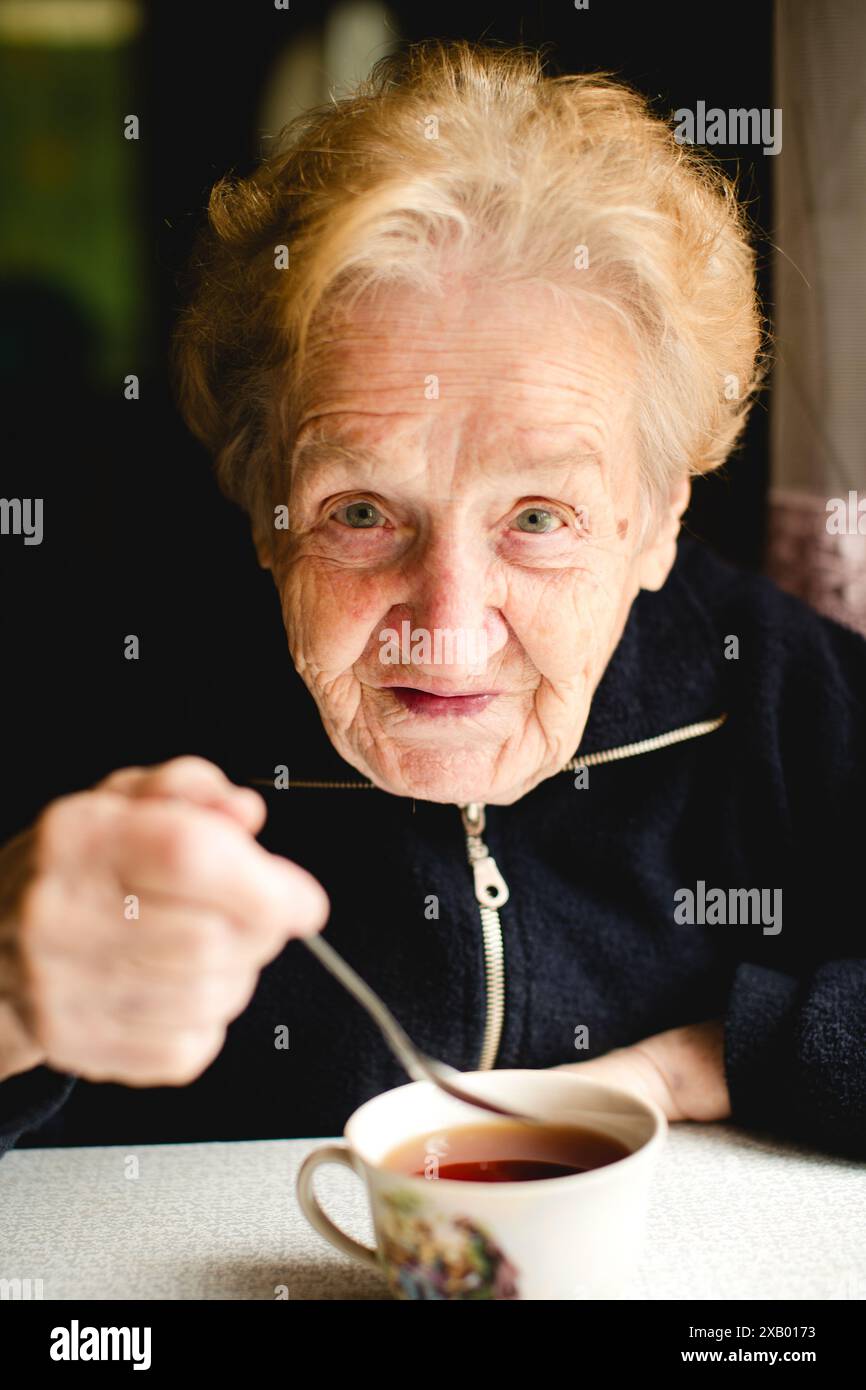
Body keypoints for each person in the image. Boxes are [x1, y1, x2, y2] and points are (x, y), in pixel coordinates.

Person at [1, 43, 864, 1160]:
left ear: (656, 522)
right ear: (264, 498)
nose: (444, 626)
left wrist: (721, 1054)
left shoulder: (779, 695)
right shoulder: (94, 692)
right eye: (360, 512)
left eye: (539, 517)